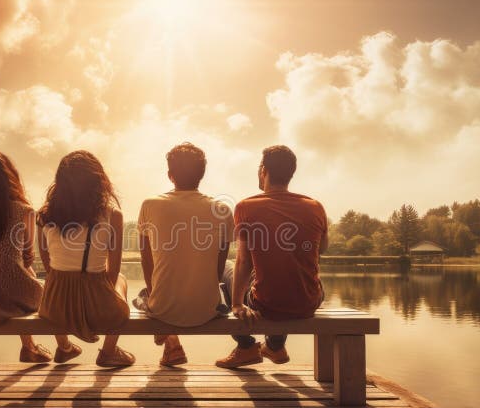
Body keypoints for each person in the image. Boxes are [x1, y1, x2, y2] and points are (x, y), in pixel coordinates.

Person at [0, 150, 80, 364]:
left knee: (18, 289)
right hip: (9, 291)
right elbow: (26, 260)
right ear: (9, 178)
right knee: (43, 295)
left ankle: (29, 347)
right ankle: (64, 346)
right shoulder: (24, 210)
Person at [216, 145, 328, 368]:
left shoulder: (246, 207)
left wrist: (238, 304)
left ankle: (246, 347)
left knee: (227, 267)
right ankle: (275, 347)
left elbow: (244, 261)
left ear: (263, 170)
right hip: (309, 301)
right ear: (291, 173)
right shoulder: (315, 207)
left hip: (264, 303)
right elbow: (321, 249)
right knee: (283, 276)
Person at [135, 143, 234, 366]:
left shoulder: (150, 205)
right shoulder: (222, 210)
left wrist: (155, 298)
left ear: (170, 175)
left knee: (143, 294)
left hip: (163, 309)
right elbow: (218, 270)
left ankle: (171, 342)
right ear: (202, 174)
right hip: (207, 309)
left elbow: (146, 259)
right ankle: (172, 348)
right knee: (229, 266)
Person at [37, 150, 135, 367]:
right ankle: (109, 352)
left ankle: (63, 347)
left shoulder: (44, 216)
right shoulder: (112, 216)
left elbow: (49, 268)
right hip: (97, 303)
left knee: (51, 281)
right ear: (98, 181)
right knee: (121, 278)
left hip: (55, 306)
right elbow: (112, 270)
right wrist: (91, 301)